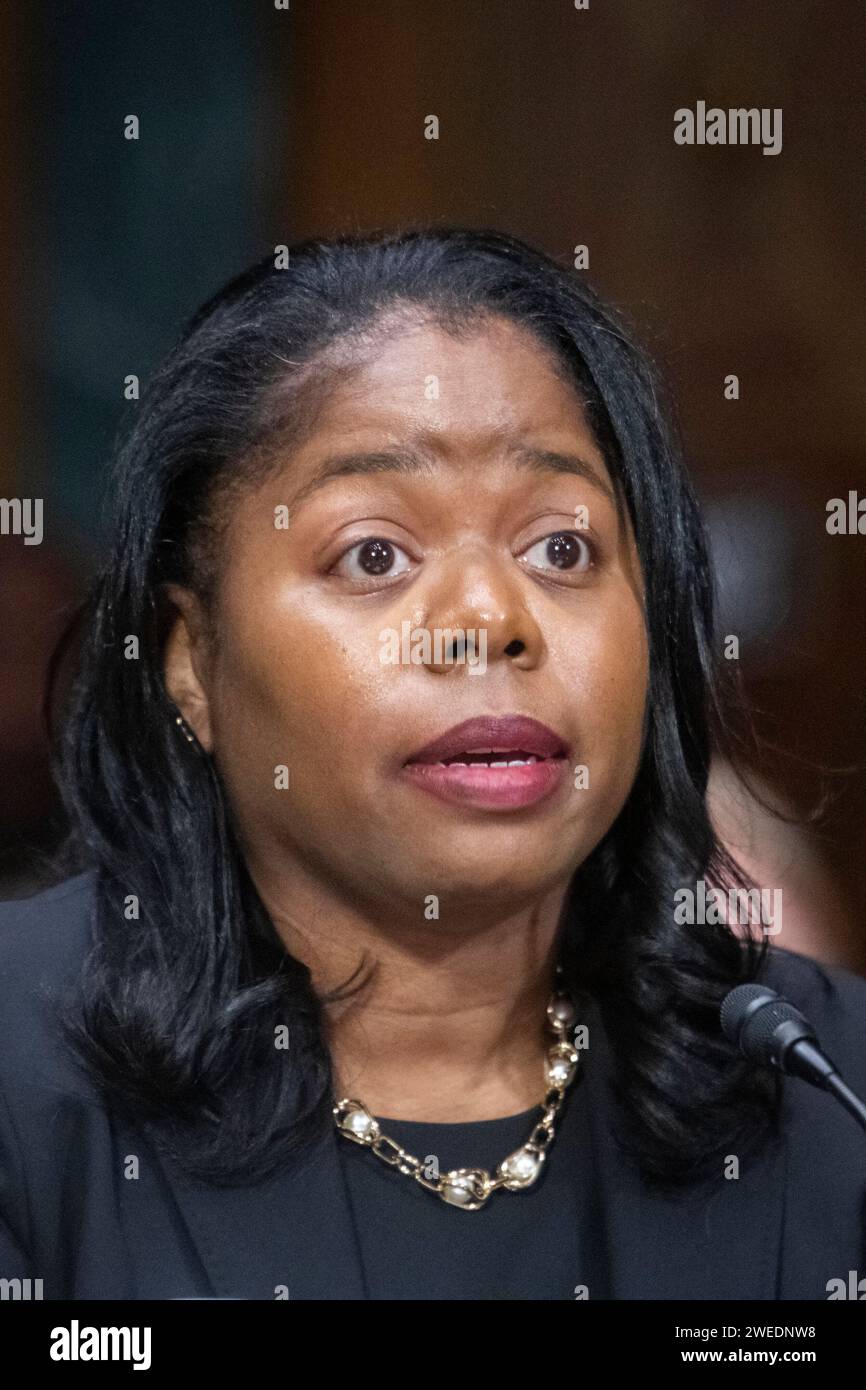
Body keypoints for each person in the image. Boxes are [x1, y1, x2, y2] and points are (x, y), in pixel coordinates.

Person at [1, 228, 864, 1302]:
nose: (490, 620)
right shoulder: (21, 1076)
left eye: (560, 547)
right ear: (192, 663)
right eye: (374, 554)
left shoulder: (820, 1086)